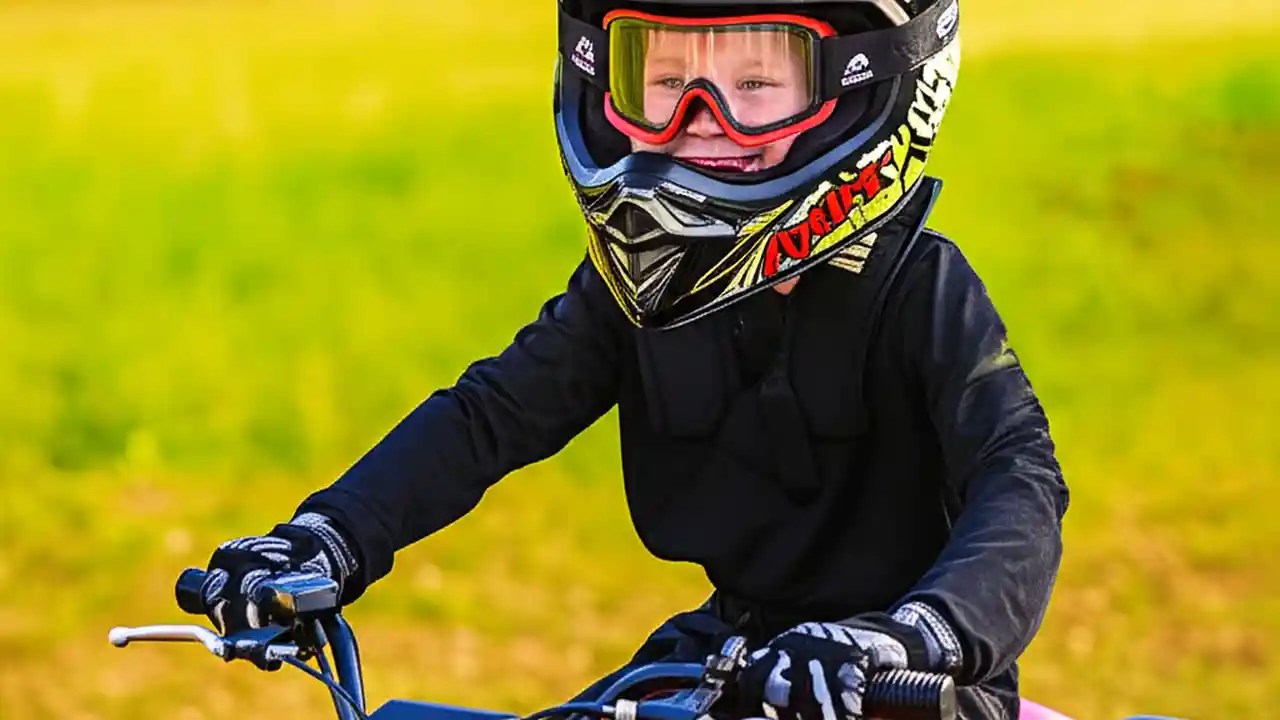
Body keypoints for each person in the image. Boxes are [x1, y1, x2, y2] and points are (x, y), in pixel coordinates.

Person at [197, 1, 1069, 719]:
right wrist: (328, 537)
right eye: (662, 82)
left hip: (905, 686)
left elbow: (1019, 476)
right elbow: (491, 416)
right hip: (723, 658)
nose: (699, 121)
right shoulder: (636, 291)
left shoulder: (919, 283)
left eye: (754, 82)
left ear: (867, 85)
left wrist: (915, 635)